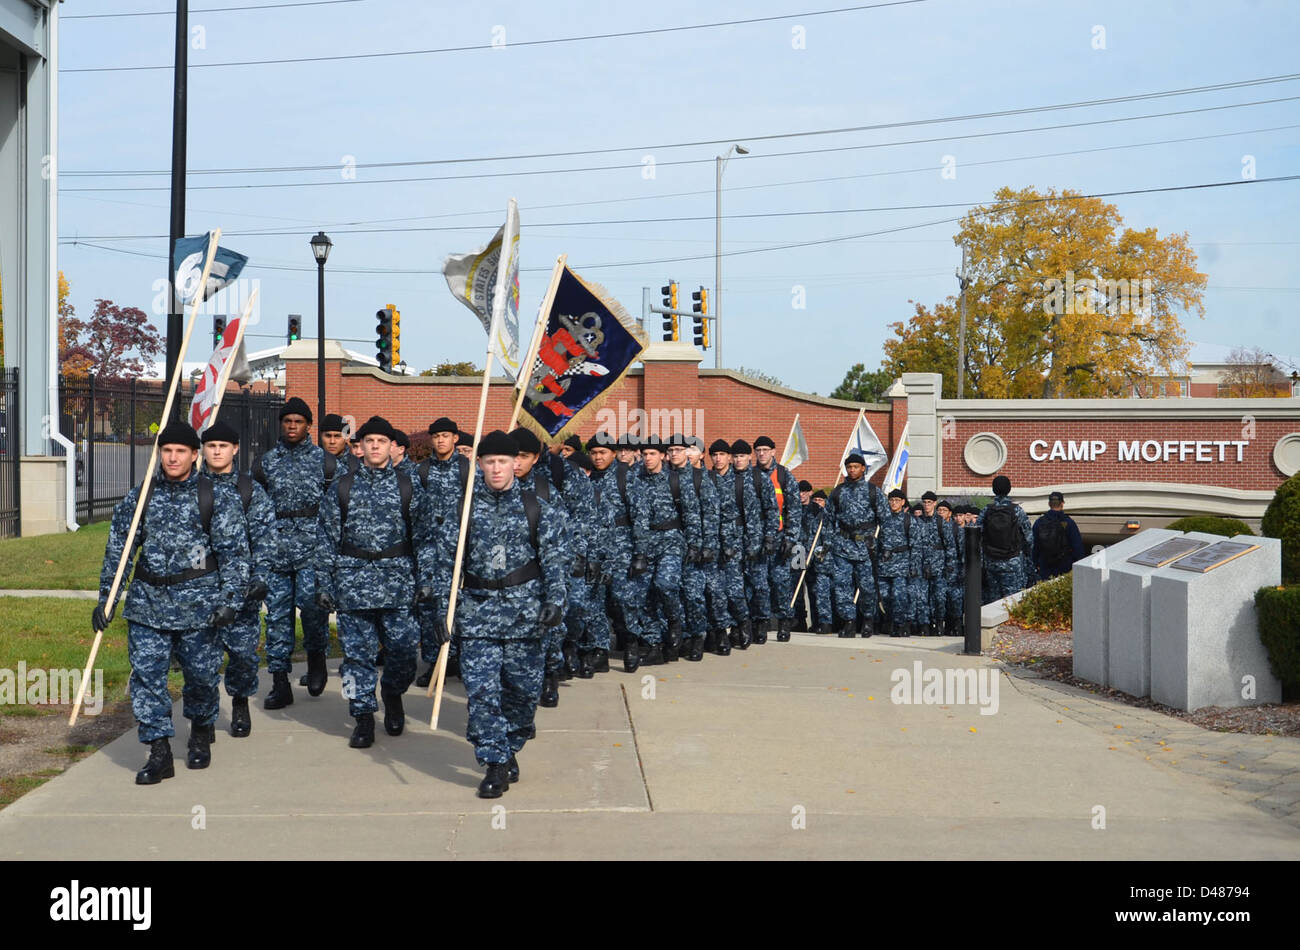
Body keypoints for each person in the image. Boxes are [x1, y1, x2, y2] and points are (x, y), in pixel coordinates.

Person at [95, 422, 251, 784]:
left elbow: (234, 553)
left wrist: (231, 600)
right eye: (166, 451)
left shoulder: (214, 496)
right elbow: (119, 551)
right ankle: (159, 752)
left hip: (199, 606)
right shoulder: (141, 497)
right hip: (148, 604)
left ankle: (199, 732)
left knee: (200, 677)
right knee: (147, 680)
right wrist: (108, 600)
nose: (173, 457)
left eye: (181, 451)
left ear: (194, 456)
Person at [432, 430, 567, 799]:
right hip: (477, 614)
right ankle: (494, 761)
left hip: (526, 616)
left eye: (503, 461)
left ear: (516, 465)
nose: (496, 468)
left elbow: (555, 563)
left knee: (522, 696)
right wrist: (441, 611)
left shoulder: (537, 507)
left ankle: (511, 745)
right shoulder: (463, 510)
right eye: (489, 461)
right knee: (482, 694)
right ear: (479, 464)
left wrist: (555, 602)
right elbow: (446, 565)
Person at [314, 416, 436, 748]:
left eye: (382, 442)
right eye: (369, 442)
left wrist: (426, 581)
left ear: (391, 446)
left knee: (403, 653)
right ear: (360, 447)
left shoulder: (407, 487)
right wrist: (323, 584)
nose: (375, 447)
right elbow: (325, 539)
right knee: (356, 658)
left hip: (398, 583)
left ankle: (393, 694)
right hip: (353, 584)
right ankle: (363, 717)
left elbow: (424, 538)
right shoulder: (342, 487)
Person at [252, 397, 337, 708]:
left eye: (298, 421)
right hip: (275, 550)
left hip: (312, 549)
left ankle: (316, 659)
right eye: (287, 421)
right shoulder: (265, 462)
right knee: (277, 618)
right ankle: (279, 682)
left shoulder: (325, 462)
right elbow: (256, 508)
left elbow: (336, 509)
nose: (292, 426)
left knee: (314, 610)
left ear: (308, 426)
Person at [199, 420, 279, 736]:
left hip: (242, 588)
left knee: (243, 655)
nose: (216, 451)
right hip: (199, 587)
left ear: (235, 450)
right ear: (202, 450)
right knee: (201, 658)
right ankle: (202, 719)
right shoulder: (190, 486)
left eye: (223, 446)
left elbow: (266, 536)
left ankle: (241, 701)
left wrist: (260, 577)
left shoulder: (249, 490)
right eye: (211, 446)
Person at [587, 433, 651, 672]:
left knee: (623, 599)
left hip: (622, 548)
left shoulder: (625, 477)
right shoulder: (588, 479)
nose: (598, 457)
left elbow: (640, 516)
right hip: (596, 551)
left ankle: (632, 642)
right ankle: (600, 651)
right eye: (593, 453)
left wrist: (640, 553)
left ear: (612, 453)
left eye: (602, 452)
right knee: (596, 602)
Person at [415, 418, 471, 688]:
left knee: (460, 604)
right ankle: (434, 661)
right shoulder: (422, 470)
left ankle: (458, 657)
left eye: (446, 435)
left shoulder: (469, 470)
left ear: (455, 439)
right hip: (429, 548)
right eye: (436, 436)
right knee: (429, 607)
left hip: (459, 548)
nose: (440, 440)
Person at [636, 436, 699, 663]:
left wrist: (694, 545)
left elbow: (691, 515)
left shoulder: (676, 480)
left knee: (665, 585)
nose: (648, 458)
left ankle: (675, 621)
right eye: (644, 454)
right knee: (644, 596)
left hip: (671, 541)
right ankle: (654, 645)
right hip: (645, 544)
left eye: (652, 454)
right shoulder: (637, 481)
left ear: (662, 456)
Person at [824, 454, 887, 637]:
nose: (852, 470)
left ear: (863, 469)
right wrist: (828, 543)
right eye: (849, 466)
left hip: (865, 548)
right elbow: (828, 520)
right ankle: (849, 622)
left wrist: (883, 546)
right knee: (842, 586)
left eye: (855, 466)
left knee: (867, 588)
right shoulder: (838, 492)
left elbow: (886, 521)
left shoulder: (873, 492)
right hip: (842, 546)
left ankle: (868, 620)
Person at [668, 433, 717, 661]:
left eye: (681, 449)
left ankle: (697, 636)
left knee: (693, 594)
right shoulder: (663, 477)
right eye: (672, 450)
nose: (676, 454)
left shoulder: (700, 478)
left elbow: (710, 514)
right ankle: (681, 637)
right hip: (669, 546)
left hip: (693, 547)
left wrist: (706, 545)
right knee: (672, 593)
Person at [708, 440, 759, 652]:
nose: (718, 458)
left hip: (734, 544)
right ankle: (721, 631)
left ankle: (742, 622)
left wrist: (752, 545)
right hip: (711, 544)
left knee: (735, 591)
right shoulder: (706, 480)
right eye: (715, 454)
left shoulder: (741, 482)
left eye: (722, 454)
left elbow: (752, 517)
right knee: (714, 591)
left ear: (729, 457)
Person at [752, 436, 803, 642]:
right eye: (758, 450)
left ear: (773, 451)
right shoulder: (750, 475)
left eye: (765, 449)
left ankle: (784, 622)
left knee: (781, 583)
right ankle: (762, 623)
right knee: (759, 584)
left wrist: (791, 538)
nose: (762, 453)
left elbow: (794, 509)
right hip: (758, 539)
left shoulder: (784, 475)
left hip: (781, 538)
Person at [731, 440, 779, 644]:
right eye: (735, 456)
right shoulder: (726, 479)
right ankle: (741, 623)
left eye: (742, 456)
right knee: (736, 586)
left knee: (759, 585)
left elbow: (771, 510)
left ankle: (761, 621)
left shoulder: (760, 478)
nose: (738, 460)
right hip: (733, 539)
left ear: (749, 457)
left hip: (756, 539)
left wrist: (769, 537)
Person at [978, 475, 1033, 604]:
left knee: (993, 601)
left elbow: (976, 533)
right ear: (1009, 489)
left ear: (993, 490)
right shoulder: (1017, 511)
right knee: (1013, 601)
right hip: (1012, 561)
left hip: (991, 561)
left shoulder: (986, 510)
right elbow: (1029, 538)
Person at [876, 489, 918, 637]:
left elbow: (915, 545)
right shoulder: (882, 519)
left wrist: (914, 565)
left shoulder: (909, 520)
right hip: (884, 564)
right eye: (891, 500)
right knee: (885, 596)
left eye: (897, 500)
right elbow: (877, 541)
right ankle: (891, 620)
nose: (894, 503)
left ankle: (901, 624)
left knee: (899, 596)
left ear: (903, 502)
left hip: (901, 564)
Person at [1032, 491, 1086, 580]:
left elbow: (1034, 546)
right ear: (1062, 504)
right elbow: (1078, 547)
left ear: (1049, 504)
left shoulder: (1039, 522)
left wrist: (1035, 564)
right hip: (1064, 567)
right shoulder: (1068, 522)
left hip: (1045, 566)